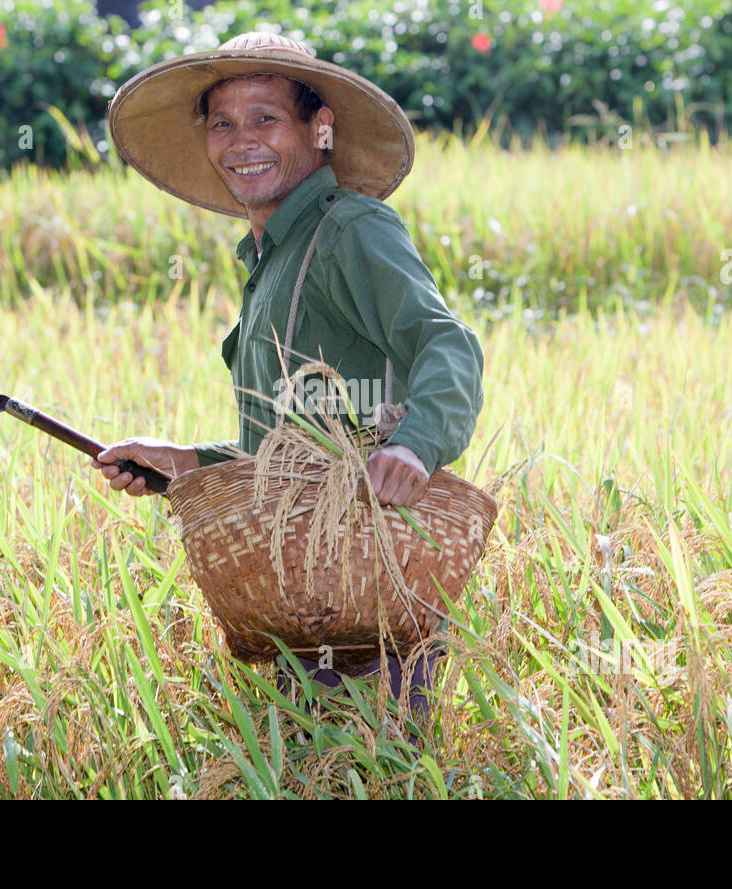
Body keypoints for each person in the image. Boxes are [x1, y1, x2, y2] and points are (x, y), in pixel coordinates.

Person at [94, 31, 484, 734]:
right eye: (223, 122)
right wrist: (189, 464)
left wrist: (416, 447)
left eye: (266, 118)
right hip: (303, 596)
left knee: (369, 769)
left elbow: (446, 344)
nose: (242, 140)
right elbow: (285, 442)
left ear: (320, 128)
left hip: (372, 589)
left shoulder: (349, 231)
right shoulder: (272, 258)